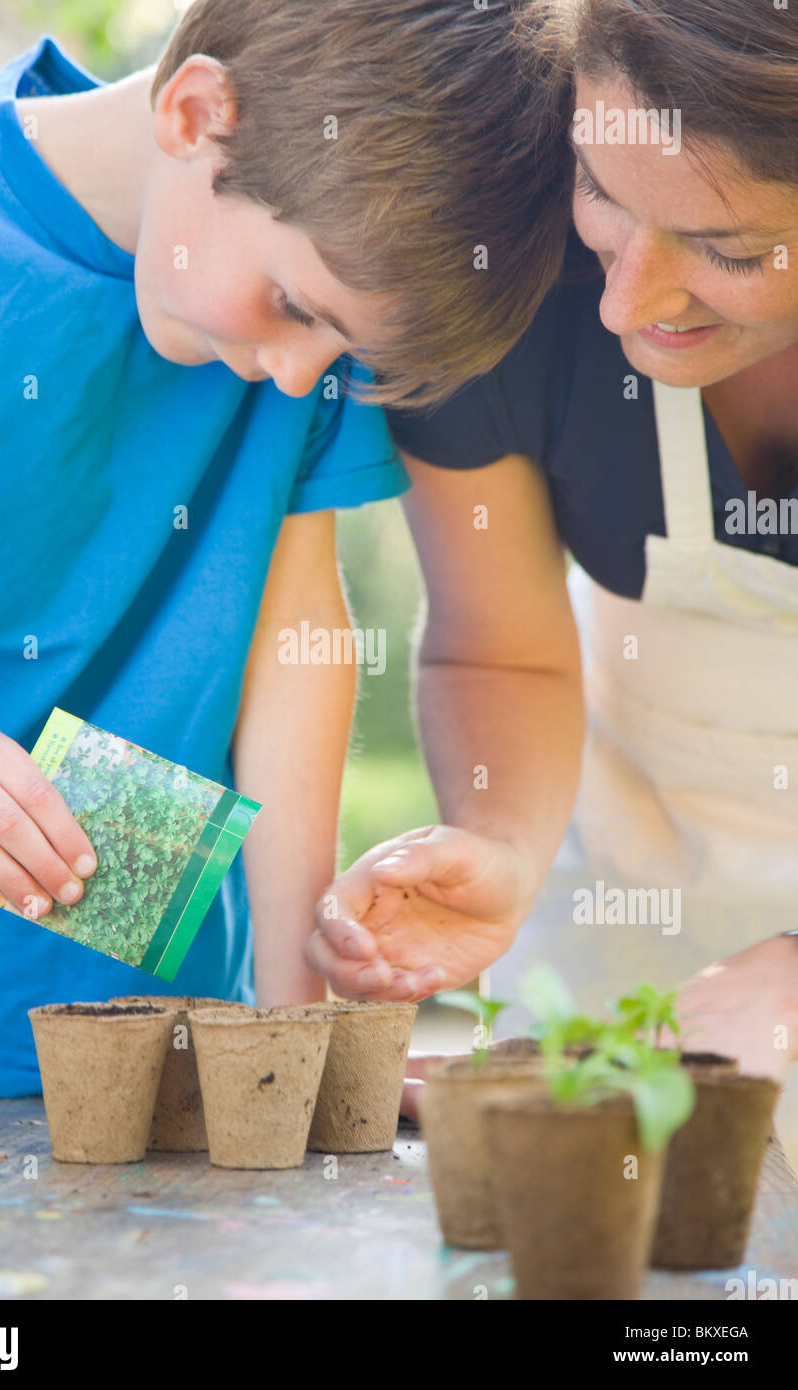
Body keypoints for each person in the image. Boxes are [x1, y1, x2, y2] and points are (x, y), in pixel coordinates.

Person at [0, 2, 572, 1096]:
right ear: (197, 113)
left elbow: (294, 643)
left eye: (343, 348)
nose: (300, 376)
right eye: (294, 307)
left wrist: (305, 1031)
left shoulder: (292, 311)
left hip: (159, 1070)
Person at [309, 0, 798, 1141]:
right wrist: (500, 842)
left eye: (727, 250)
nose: (627, 303)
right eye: (603, 197)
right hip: (620, 983)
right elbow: (500, 644)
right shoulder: (508, 275)